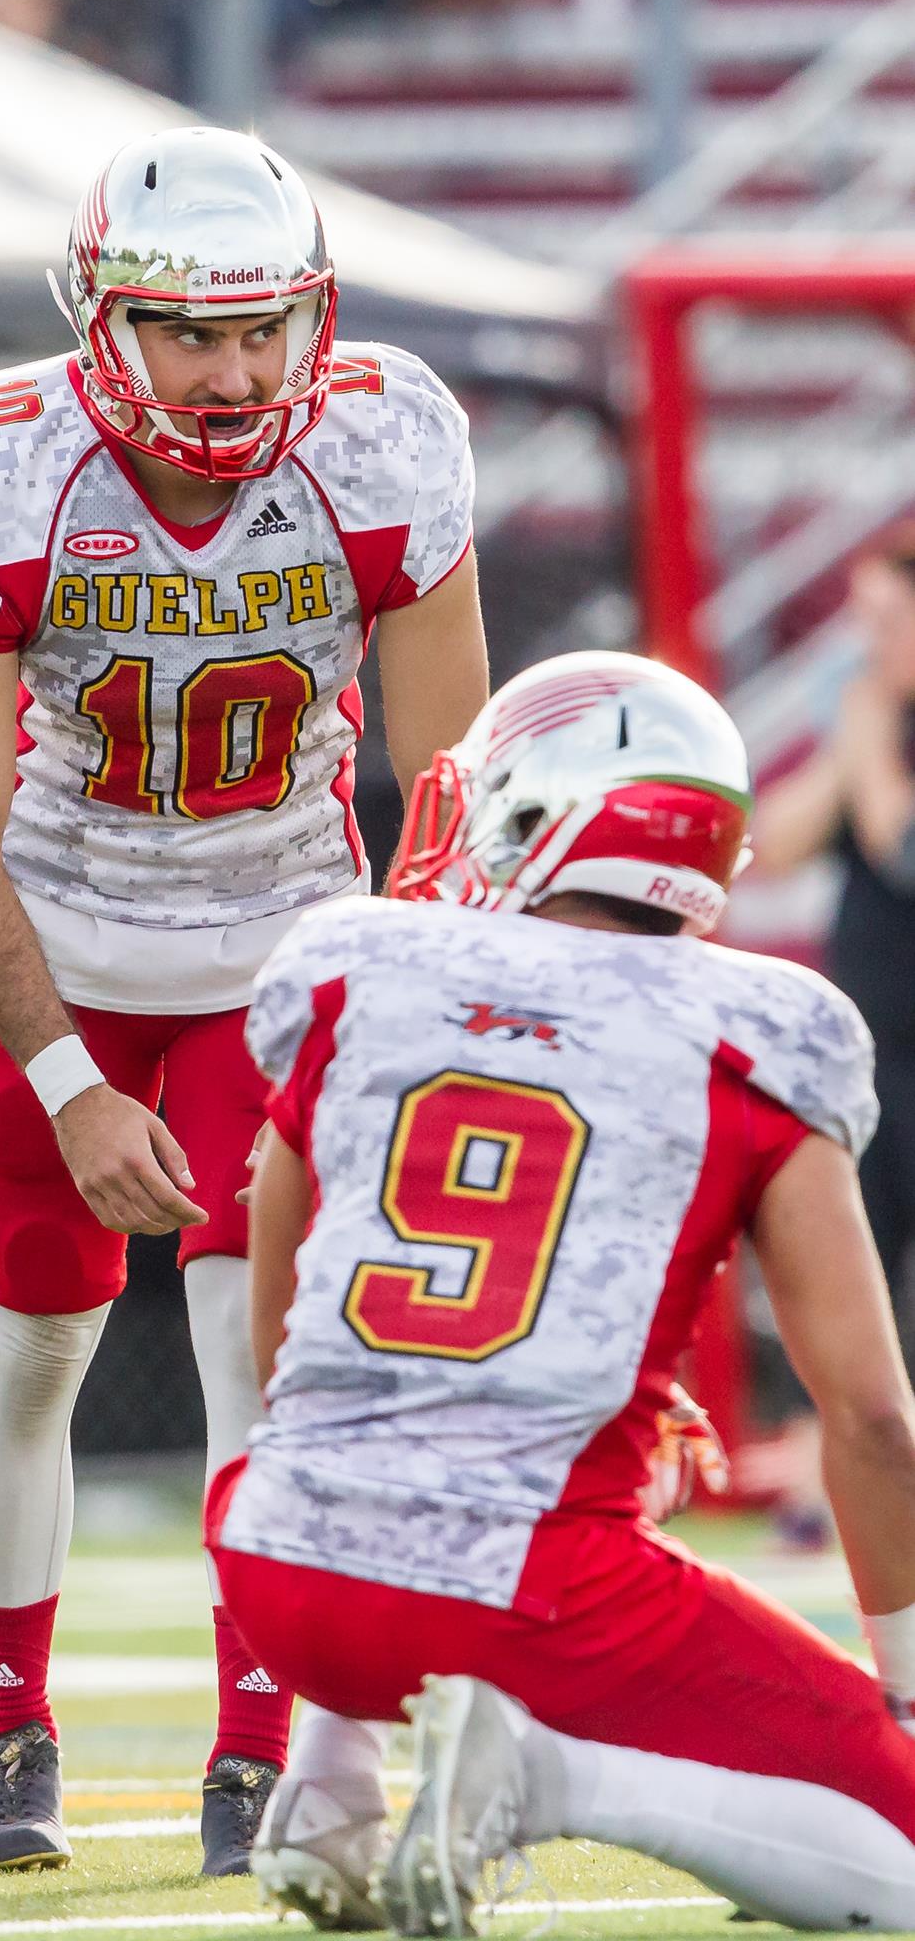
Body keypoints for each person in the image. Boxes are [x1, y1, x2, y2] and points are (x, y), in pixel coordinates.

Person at [0, 124, 486, 1877]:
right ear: (101, 324)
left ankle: (254, 1761)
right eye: (184, 332)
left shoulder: (386, 437)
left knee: (254, 1352)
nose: (231, 376)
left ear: (314, 315)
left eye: (260, 330)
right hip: (60, 936)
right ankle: (13, 1729)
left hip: (282, 946)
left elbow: (442, 781)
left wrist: (388, 989)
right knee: (33, 1347)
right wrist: (70, 1078)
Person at [206, 650, 915, 1934]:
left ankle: (329, 1777)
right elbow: (871, 1419)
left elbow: (286, 1336)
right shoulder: (758, 1026)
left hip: (273, 1562)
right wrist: (906, 1685)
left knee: (558, 1449)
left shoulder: (354, 966)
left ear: (532, 811)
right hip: (529, 1594)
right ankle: (547, 1774)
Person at [749, 540, 915, 1546]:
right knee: (851, 1268)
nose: (868, 642)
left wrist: (861, 744)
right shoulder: (869, 728)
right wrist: (854, 746)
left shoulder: (871, 737)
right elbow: (774, 841)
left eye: (889, 621)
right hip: (874, 1053)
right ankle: (829, 1475)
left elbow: (899, 848)